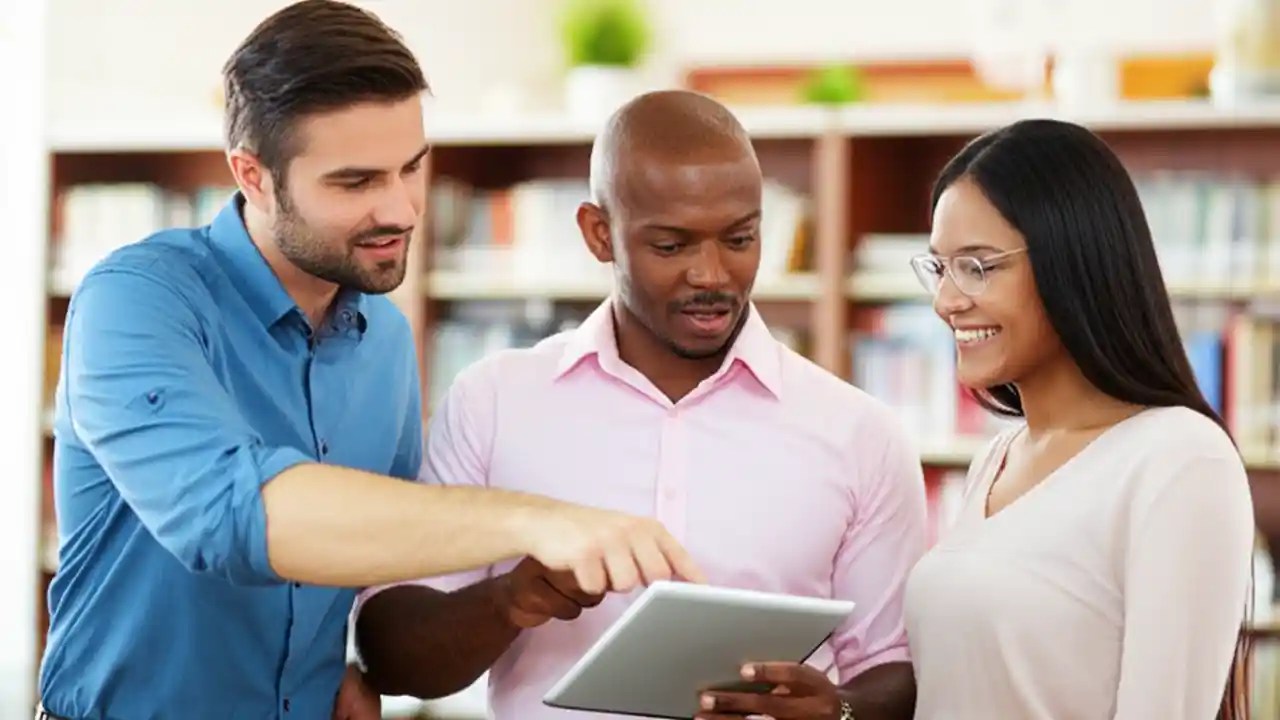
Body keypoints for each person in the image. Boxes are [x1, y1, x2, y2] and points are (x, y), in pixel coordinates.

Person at [37, 3, 703, 719]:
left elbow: (374, 550)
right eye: (355, 183)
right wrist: (539, 520)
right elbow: (227, 516)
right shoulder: (136, 302)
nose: (402, 209)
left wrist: (344, 665)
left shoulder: (382, 338)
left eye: (412, 168)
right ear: (253, 175)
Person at [352, 89, 927, 720]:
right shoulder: (492, 402)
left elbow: (893, 674)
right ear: (599, 234)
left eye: (739, 239)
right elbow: (393, 656)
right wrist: (508, 600)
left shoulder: (860, 434)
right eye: (671, 246)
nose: (712, 275)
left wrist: (838, 710)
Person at [901, 118, 1256, 720]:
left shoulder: (1179, 459)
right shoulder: (998, 457)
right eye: (940, 268)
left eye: (978, 267)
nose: (947, 301)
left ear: (1074, 262)